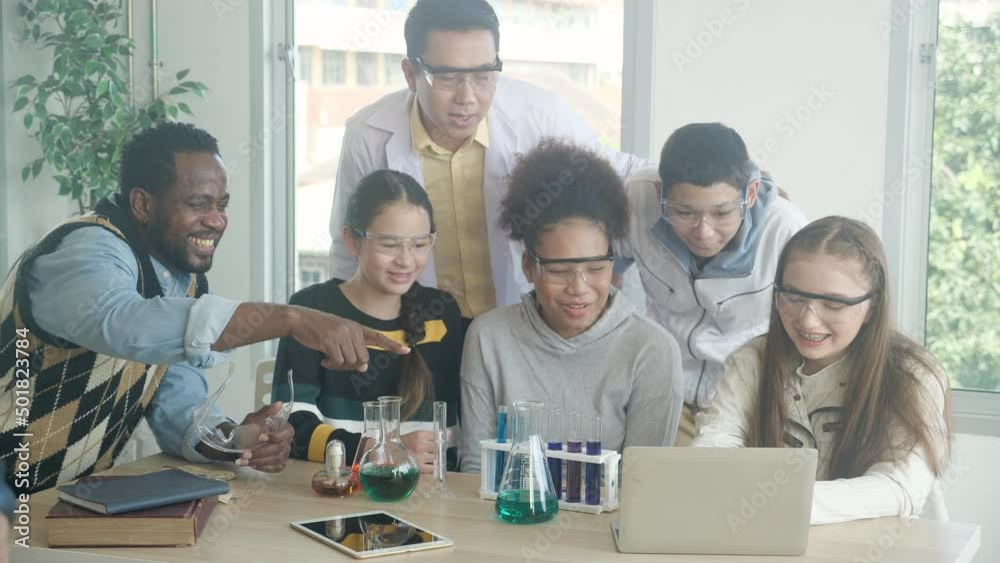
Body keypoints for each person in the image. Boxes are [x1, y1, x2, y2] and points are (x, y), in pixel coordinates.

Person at [0, 123, 408, 493]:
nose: (216, 221)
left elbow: (178, 408)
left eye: (221, 205)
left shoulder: (180, 279)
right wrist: (292, 318)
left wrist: (236, 440)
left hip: (59, 504)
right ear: (142, 204)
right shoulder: (85, 249)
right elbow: (126, 325)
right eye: (198, 204)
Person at [328, 0, 645, 326]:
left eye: (483, 76)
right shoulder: (368, 134)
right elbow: (348, 247)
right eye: (447, 78)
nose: (468, 97)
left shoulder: (539, 115)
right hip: (421, 331)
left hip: (518, 328)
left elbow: (625, 179)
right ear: (410, 74)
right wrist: (348, 325)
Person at [693, 216, 952, 524]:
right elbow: (712, 453)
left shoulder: (913, 375)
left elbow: (898, 487)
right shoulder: (751, 361)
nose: (808, 320)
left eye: (833, 304)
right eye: (794, 297)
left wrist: (771, 501)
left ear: (872, 306)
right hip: (777, 540)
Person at [459, 140, 684, 473]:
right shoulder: (489, 337)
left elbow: (644, 483)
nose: (579, 288)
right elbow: (477, 468)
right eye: (560, 270)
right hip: (505, 509)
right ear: (528, 267)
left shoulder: (652, 350)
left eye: (595, 268)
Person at [614, 123, 808, 445]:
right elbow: (603, 270)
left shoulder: (785, 231)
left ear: (750, 194)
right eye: (684, 212)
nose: (704, 232)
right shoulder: (636, 199)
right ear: (661, 194)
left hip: (743, 398)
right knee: (651, 474)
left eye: (721, 213)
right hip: (666, 388)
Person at [274, 170, 462, 473]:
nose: (405, 260)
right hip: (333, 488)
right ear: (353, 240)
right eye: (389, 244)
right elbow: (289, 429)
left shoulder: (442, 314)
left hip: (426, 491)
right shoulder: (311, 311)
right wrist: (382, 451)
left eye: (419, 244)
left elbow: (452, 439)